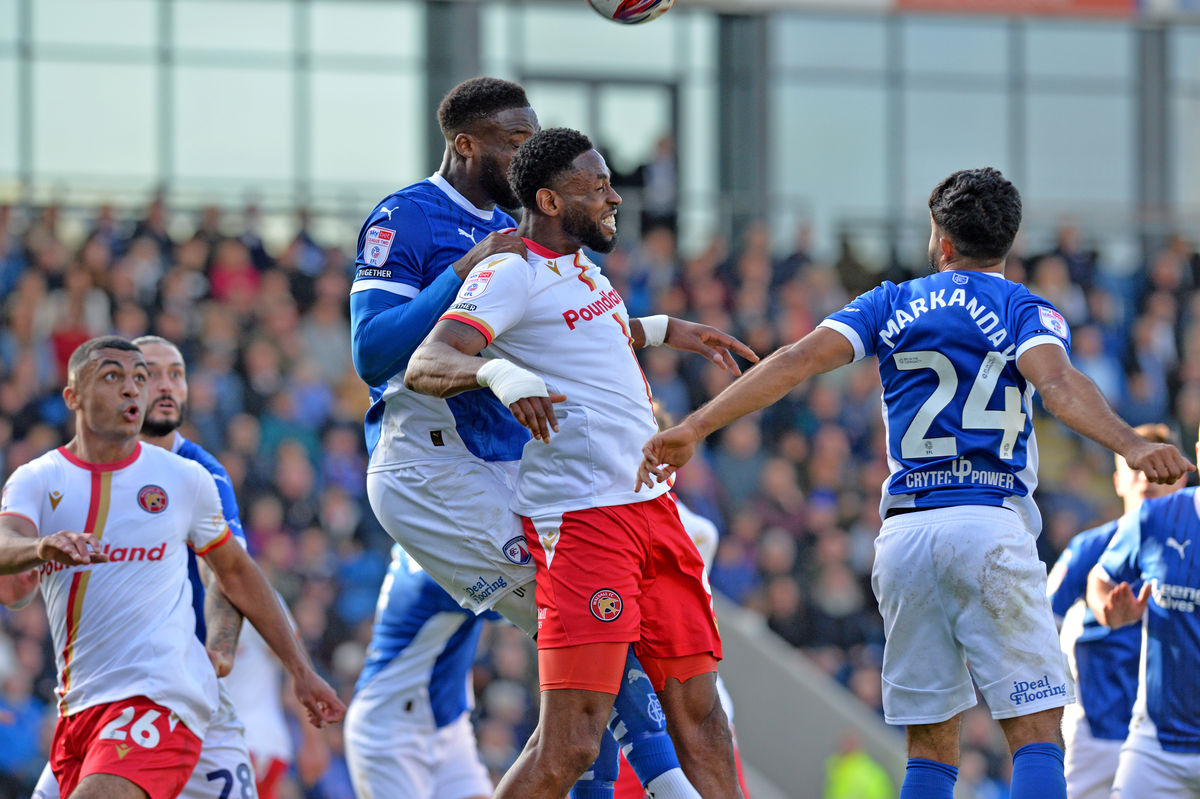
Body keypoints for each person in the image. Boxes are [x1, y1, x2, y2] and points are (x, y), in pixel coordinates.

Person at [636, 167, 1194, 799]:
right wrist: (1132, 444)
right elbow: (1060, 386)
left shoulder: (891, 302)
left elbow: (793, 363)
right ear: (1006, 243)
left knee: (929, 748)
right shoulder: (1024, 309)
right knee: (1036, 736)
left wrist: (696, 426)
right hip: (988, 522)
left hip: (906, 535)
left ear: (942, 241)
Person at [351, 77, 747, 799]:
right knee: (589, 676)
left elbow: (573, 331)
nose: (526, 149)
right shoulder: (412, 220)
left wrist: (658, 330)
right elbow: (379, 354)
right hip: (436, 470)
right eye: (512, 139)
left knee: (606, 683)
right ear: (466, 145)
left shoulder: (551, 248)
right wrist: (464, 281)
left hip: (515, 465)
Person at [0, 336, 344, 799]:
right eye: (113, 377)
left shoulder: (190, 477)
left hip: (162, 697)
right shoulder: (38, 479)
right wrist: (39, 549)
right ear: (73, 396)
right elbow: (10, 565)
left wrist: (295, 669)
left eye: (141, 378)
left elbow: (234, 574)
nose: (134, 389)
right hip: (81, 706)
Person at [29, 334, 264, 799]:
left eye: (175, 374)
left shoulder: (200, 471)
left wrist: (219, 650)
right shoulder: (77, 471)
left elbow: (226, 572)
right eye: (148, 373)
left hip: (176, 692)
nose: (163, 386)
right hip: (99, 694)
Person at [1046, 423, 1185, 799]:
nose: (1149, 478)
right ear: (1117, 480)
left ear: (1182, 481)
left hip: (1174, 733)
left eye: (1161, 468)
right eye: (1137, 467)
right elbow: (1040, 627)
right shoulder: (1089, 549)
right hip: (1097, 730)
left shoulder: (1193, 550)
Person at [1087, 424, 1200, 798]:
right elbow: (1098, 580)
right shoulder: (1157, 518)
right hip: (1155, 745)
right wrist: (1109, 611)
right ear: (1198, 454)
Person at [344, 545, 495, 799]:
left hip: (446, 722)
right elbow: (527, 606)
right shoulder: (437, 572)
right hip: (390, 731)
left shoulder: (421, 546)